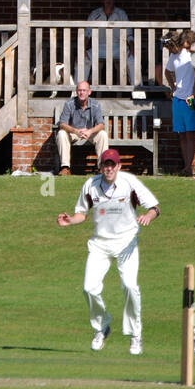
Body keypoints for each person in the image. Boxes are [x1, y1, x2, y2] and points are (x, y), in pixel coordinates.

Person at [56, 148, 159, 356]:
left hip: (127, 243)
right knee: (89, 288)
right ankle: (101, 327)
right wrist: (70, 221)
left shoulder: (129, 182)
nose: (109, 168)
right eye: (106, 164)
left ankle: (135, 335)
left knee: (130, 286)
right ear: (100, 166)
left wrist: (148, 216)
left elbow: (155, 208)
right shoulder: (91, 185)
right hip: (100, 244)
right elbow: (81, 214)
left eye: (113, 165)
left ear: (119, 166)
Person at [83, 0, 138, 87]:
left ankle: (138, 91)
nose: (108, 1)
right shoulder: (95, 14)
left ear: (114, 0)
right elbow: (87, 35)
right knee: (83, 58)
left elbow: (129, 34)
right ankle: (78, 90)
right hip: (98, 48)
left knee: (132, 59)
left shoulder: (121, 14)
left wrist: (133, 49)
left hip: (118, 48)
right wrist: (82, 50)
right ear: (102, 0)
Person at [162, 30, 195, 175]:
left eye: (170, 47)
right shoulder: (173, 56)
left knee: (190, 133)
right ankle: (186, 166)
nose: (170, 50)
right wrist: (173, 87)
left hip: (190, 99)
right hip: (177, 99)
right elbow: (167, 71)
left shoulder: (190, 54)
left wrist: (194, 93)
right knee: (181, 134)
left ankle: (189, 166)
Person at [56, 80, 109, 176]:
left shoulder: (95, 104)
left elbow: (101, 125)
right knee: (61, 133)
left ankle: (102, 167)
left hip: (90, 133)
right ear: (76, 91)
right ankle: (65, 168)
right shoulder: (69, 104)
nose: (82, 93)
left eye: (84, 90)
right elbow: (62, 124)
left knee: (103, 134)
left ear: (89, 92)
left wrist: (90, 131)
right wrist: (75, 131)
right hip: (74, 133)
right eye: (79, 90)